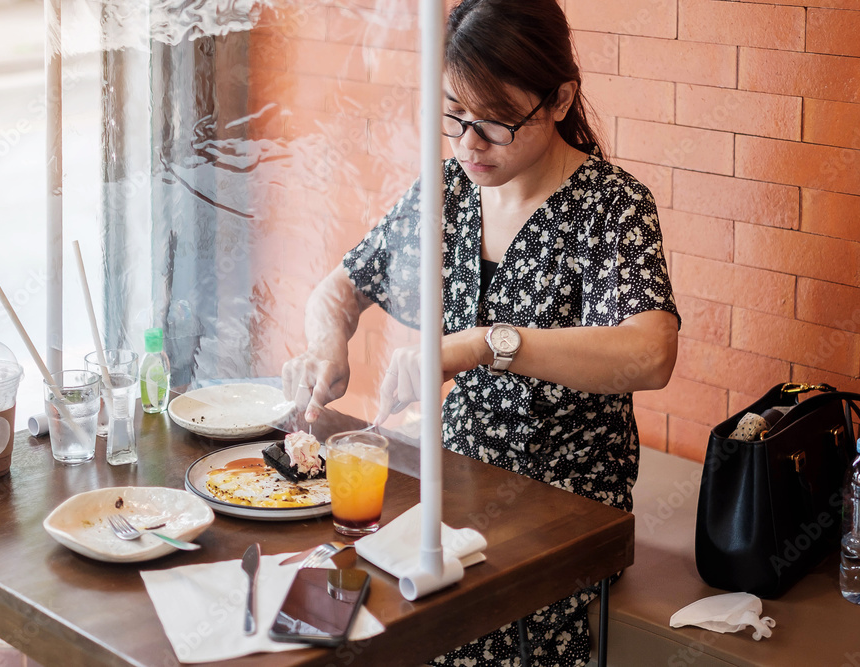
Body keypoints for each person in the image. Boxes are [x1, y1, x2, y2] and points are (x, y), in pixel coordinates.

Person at [282, 0, 681, 664]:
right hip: (454, 488)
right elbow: (339, 288)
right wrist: (329, 341)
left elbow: (651, 351)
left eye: (494, 121)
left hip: (566, 508)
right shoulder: (448, 193)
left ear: (558, 100)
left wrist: (484, 342)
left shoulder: (612, 207)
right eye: (454, 116)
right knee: (330, 593)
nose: (469, 143)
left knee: (454, 626)